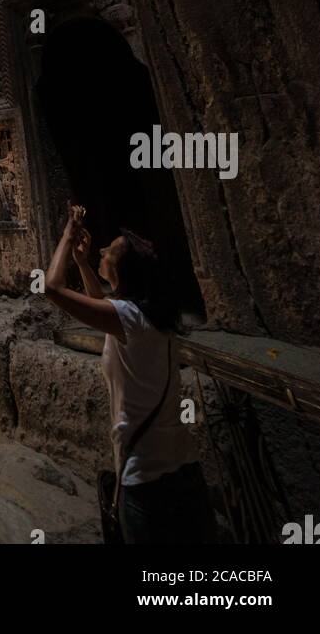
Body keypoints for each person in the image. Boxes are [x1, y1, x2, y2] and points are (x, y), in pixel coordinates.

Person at [44, 205, 217, 544]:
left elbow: (51, 288)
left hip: (145, 477)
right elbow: (104, 310)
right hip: (184, 466)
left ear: (121, 269)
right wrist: (82, 262)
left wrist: (67, 234)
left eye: (109, 250)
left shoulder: (128, 319)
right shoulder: (151, 317)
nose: (103, 251)